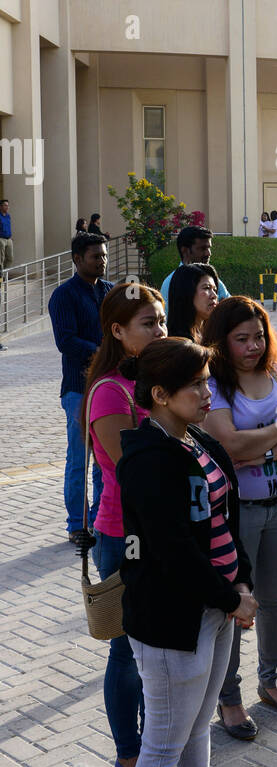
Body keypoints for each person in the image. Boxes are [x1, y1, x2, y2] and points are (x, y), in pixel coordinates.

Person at [116, 338, 259, 767]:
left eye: (207, 381)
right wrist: (230, 598)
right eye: (196, 385)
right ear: (159, 395)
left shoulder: (195, 441)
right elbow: (172, 550)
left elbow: (229, 518)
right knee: (161, 746)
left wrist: (241, 583)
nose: (208, 392)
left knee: (198, 728)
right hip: (173, 619)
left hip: (218, 606)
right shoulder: (148, 460)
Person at [203, 296, 277, 739]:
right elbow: (228, 447)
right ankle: (228, 699)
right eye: (241, 339)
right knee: (237, 603)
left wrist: (264, 450)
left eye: (259, 336)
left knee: (274, 598)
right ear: (221, 341)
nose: (253, 345)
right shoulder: (214, 384)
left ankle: (272, 680)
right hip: (240, 512)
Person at [80, 282, 168, 767]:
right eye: (147, 323)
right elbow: (129, 470)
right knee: (129, 649)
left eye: (161, 320)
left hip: (163, 531)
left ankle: (154, 741)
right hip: (123, 533)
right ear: (117, 330)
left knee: (154, 646)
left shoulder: (153, 379)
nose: (159, 330)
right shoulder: (110, 391)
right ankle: (129, 752)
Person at [48, 233, 112, 547]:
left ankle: (100, 519)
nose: (102, 261)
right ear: (77, 259)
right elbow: (66, 342)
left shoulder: (111, 292)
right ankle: (77, 524)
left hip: (109, 389)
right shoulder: (63, 295)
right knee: (79, 460)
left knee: (105, 460)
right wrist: (104, 352)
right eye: (95, 257)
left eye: (104, 255)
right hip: (78, 390)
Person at [159, 225, 229, 305]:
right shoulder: (171, 283)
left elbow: (230, 306)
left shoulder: (211, 278)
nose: (208, 253)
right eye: (202, 248)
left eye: (209, 248)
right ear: (185, 251)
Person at [166, 262, 219, 342]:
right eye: (206, 288)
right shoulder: (177, 345)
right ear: (186, 292)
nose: (214, 295)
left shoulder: (214, 336)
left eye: (215, 290)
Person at [0, 198, 12, 271]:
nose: (7, 207)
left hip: (9, 239)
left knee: (10, 258)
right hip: (1, 239)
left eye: (8, 205)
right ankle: (1, 277)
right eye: (5, 205)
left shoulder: (8, 216)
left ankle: (4, 275)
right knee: (1, 258)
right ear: (0, 207)